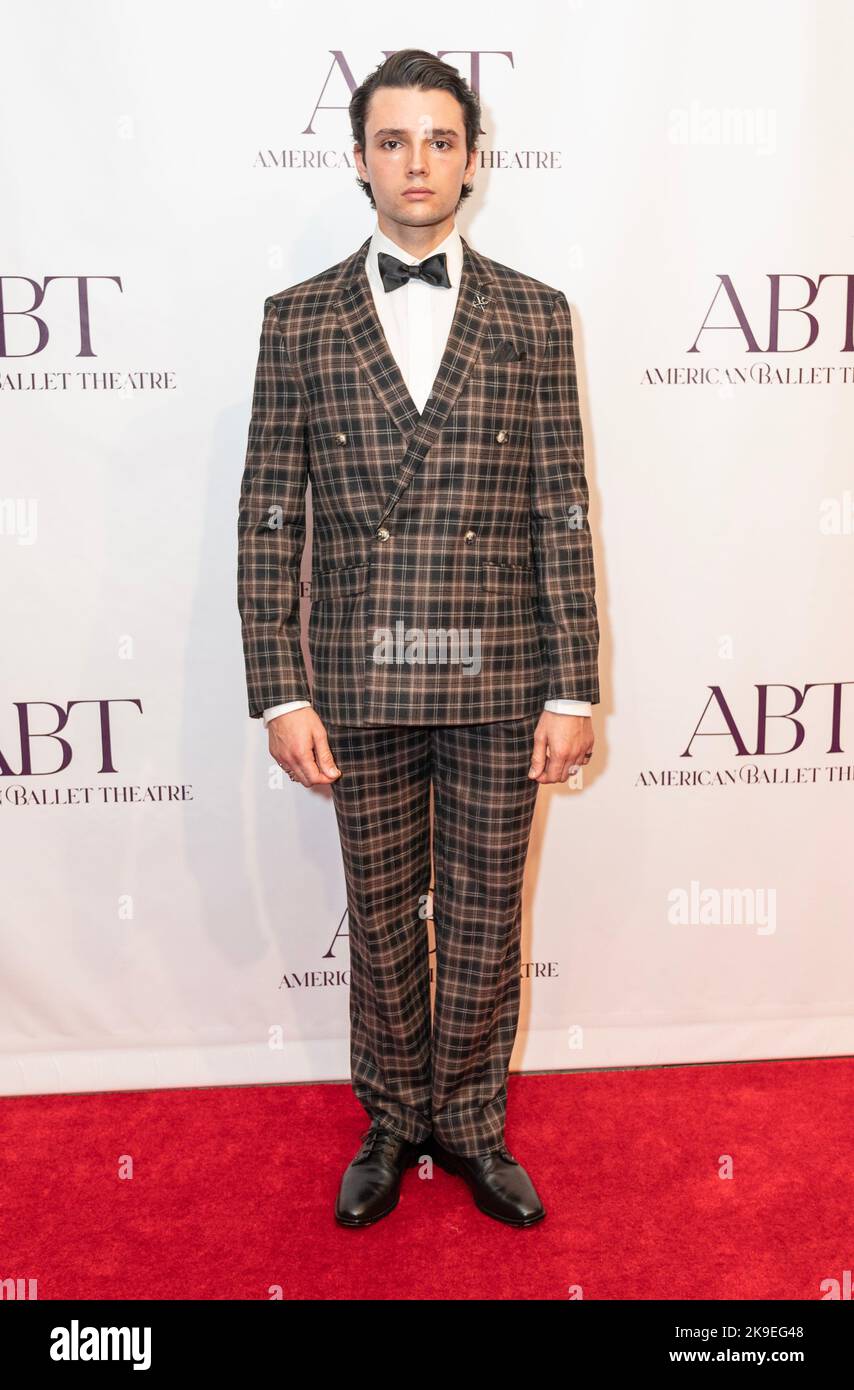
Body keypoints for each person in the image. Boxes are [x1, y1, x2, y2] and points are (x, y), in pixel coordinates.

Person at [237, 49, 599, 1228]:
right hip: (353, 672)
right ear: (357, 161)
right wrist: (277, 688)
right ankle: (393, 1120)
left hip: (502, 676)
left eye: (439, 140)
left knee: (488, 917)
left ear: (471, 158)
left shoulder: (537, 316)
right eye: (391, 141)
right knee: (383, 912)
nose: (417, 162)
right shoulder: (294, 321)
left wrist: (574, 687)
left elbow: (560, 504)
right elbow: (268, 512)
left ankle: (473, 1123)